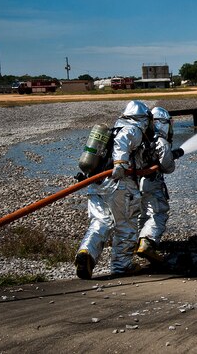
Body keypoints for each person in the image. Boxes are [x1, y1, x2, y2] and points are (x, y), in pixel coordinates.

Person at [74, 100, 152, 279]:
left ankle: (87, 252)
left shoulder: (112, 130)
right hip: (120, 184)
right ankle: (121, 265)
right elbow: (123, 142)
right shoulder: (133, 128)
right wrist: (120, 163)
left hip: (97, 183)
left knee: (100, 222)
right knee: (125, 225)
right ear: (143, 118)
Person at [135, 106, 183, 263]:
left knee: (143, 214)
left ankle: (138, 241)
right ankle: (147, 242)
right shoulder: (160, 141)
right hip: (152, 183)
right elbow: (168, 167)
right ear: (163, 123)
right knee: (159, 213)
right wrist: (170, 155)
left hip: (134, 185)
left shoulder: (139, 138)